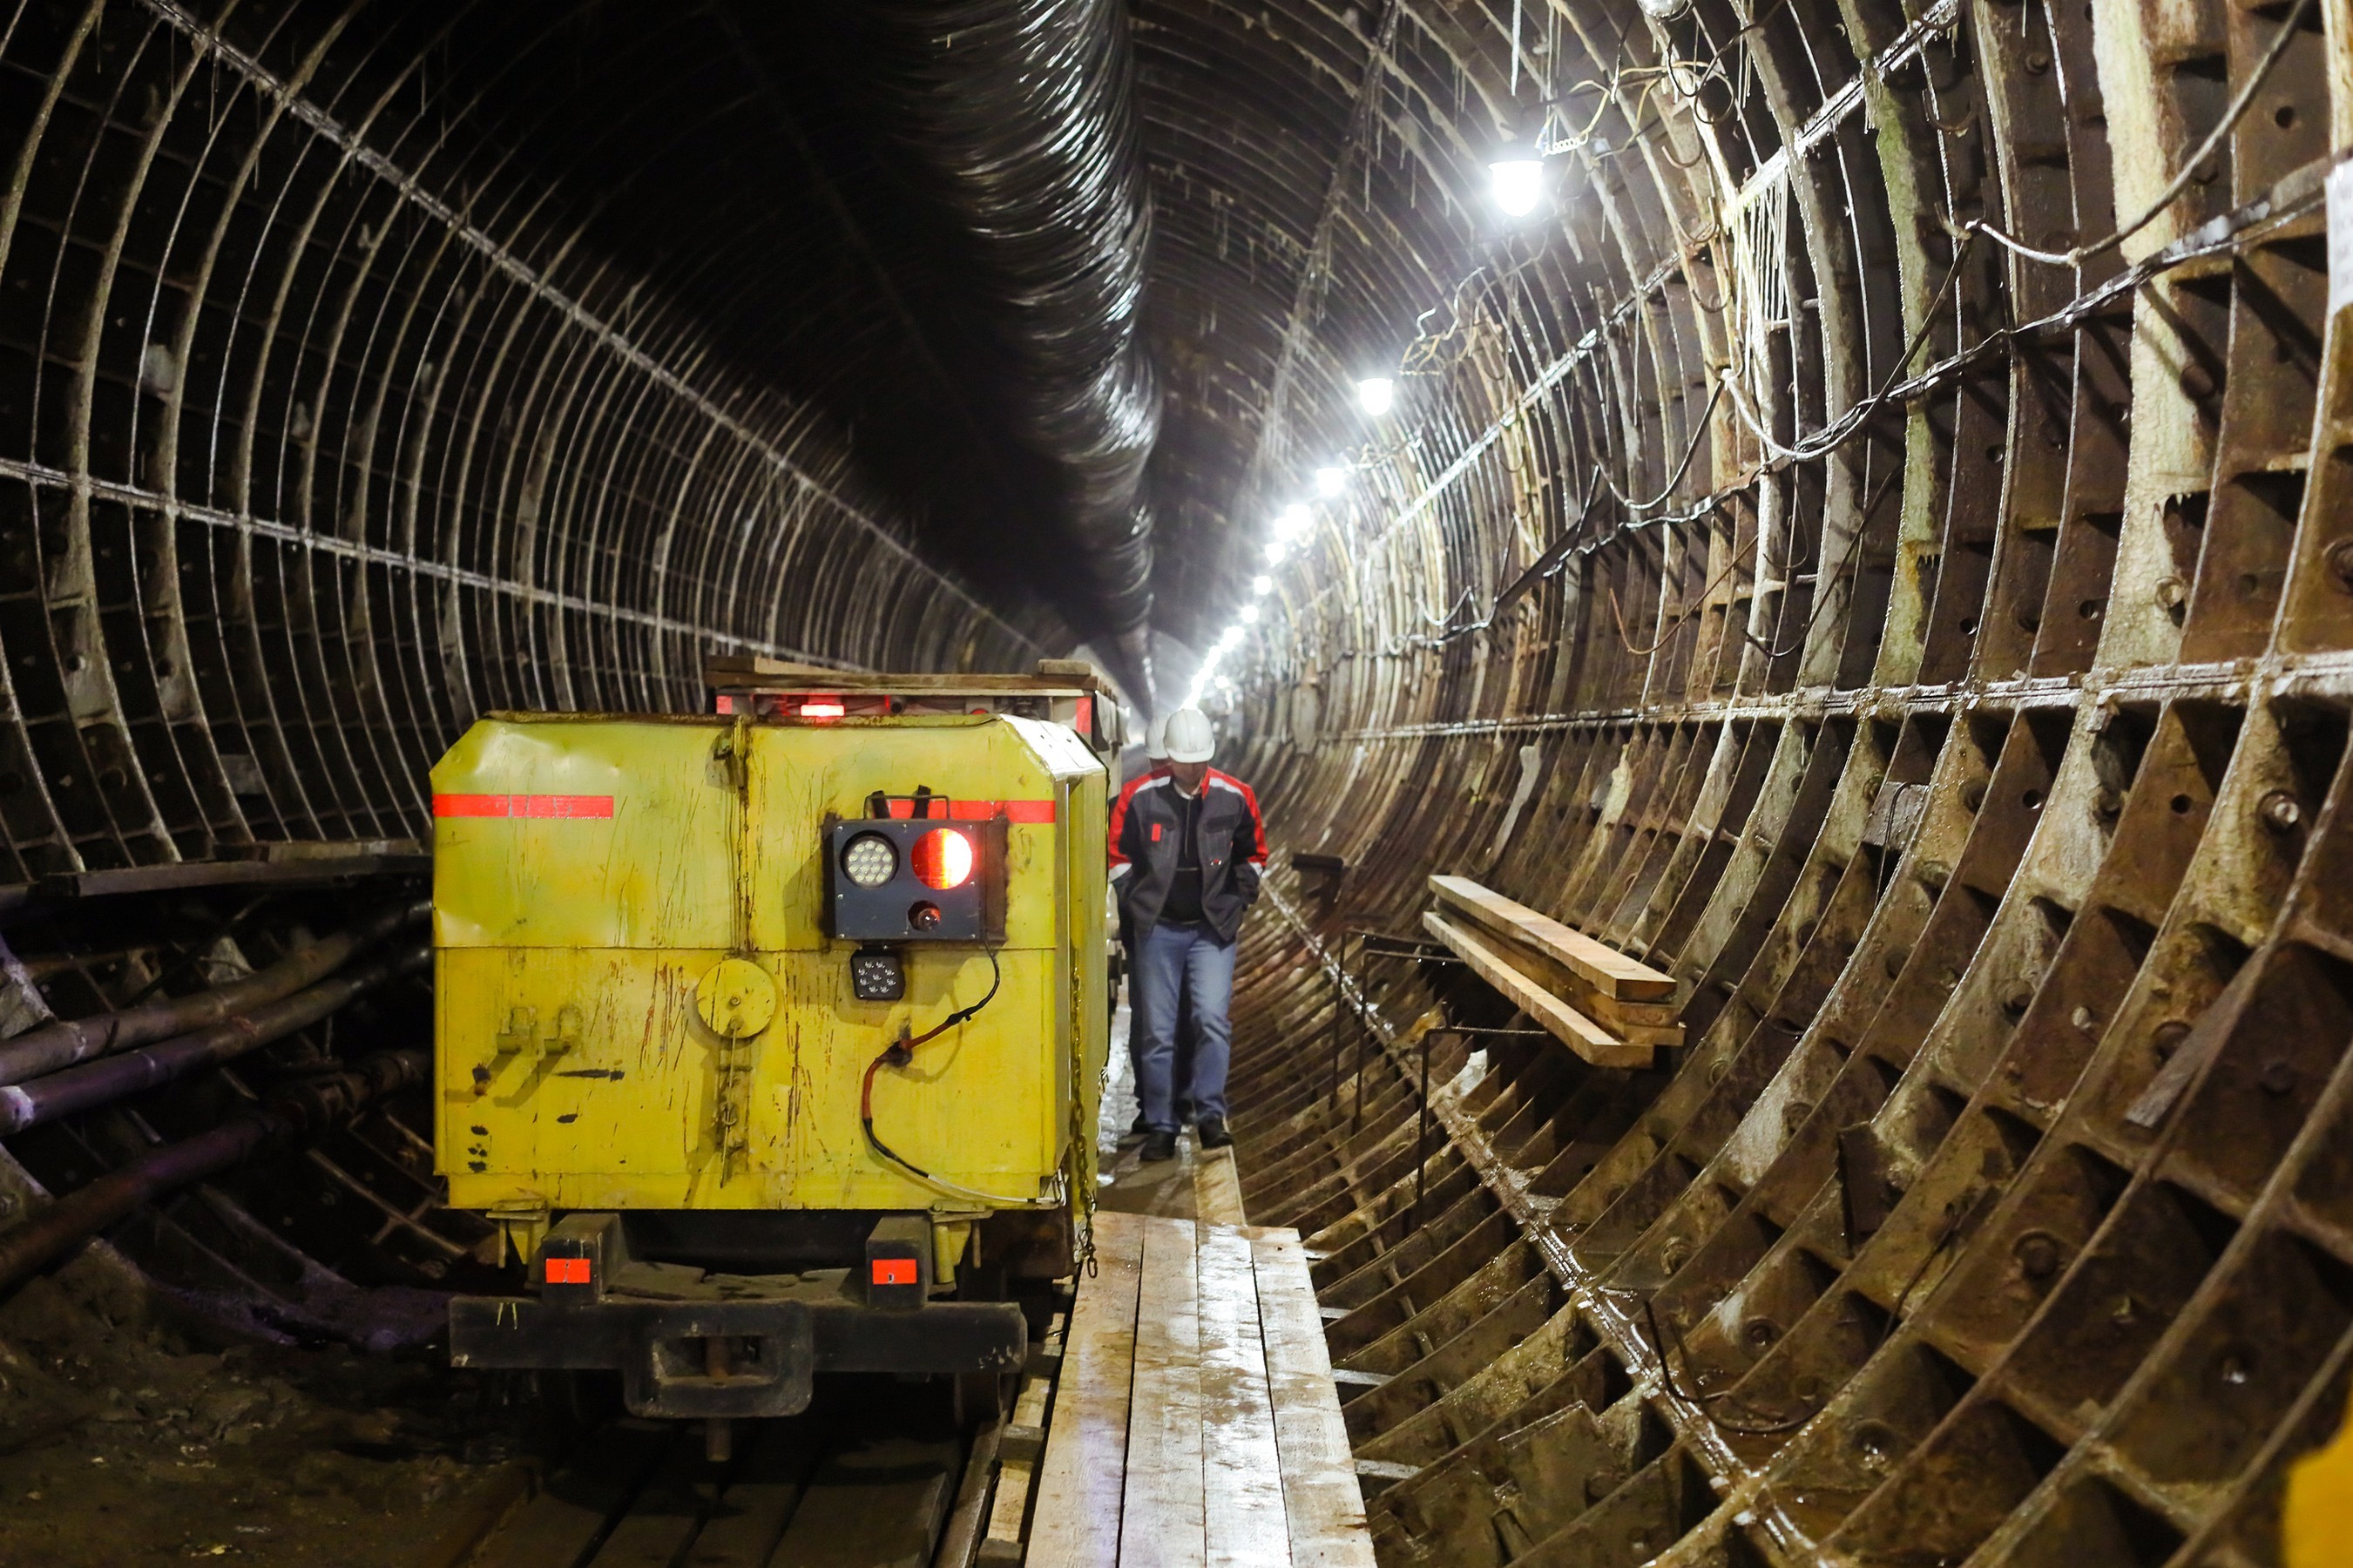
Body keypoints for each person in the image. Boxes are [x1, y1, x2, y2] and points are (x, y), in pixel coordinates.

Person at [1110, 706, 1266, 1162]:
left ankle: (1210, 1115)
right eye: (1184, 760)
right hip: (1159, 930)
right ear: (1170, 759)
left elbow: (1254, 853)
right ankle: (1160, 1124)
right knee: (1158, 1031)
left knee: (1211, 1021)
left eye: (1199, 760)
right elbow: (1117, 853)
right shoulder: (1141, 797)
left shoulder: (1235, 797)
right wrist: (1136, 901)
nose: (1192, 768)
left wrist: (1238, 901)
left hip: (1212, 930)